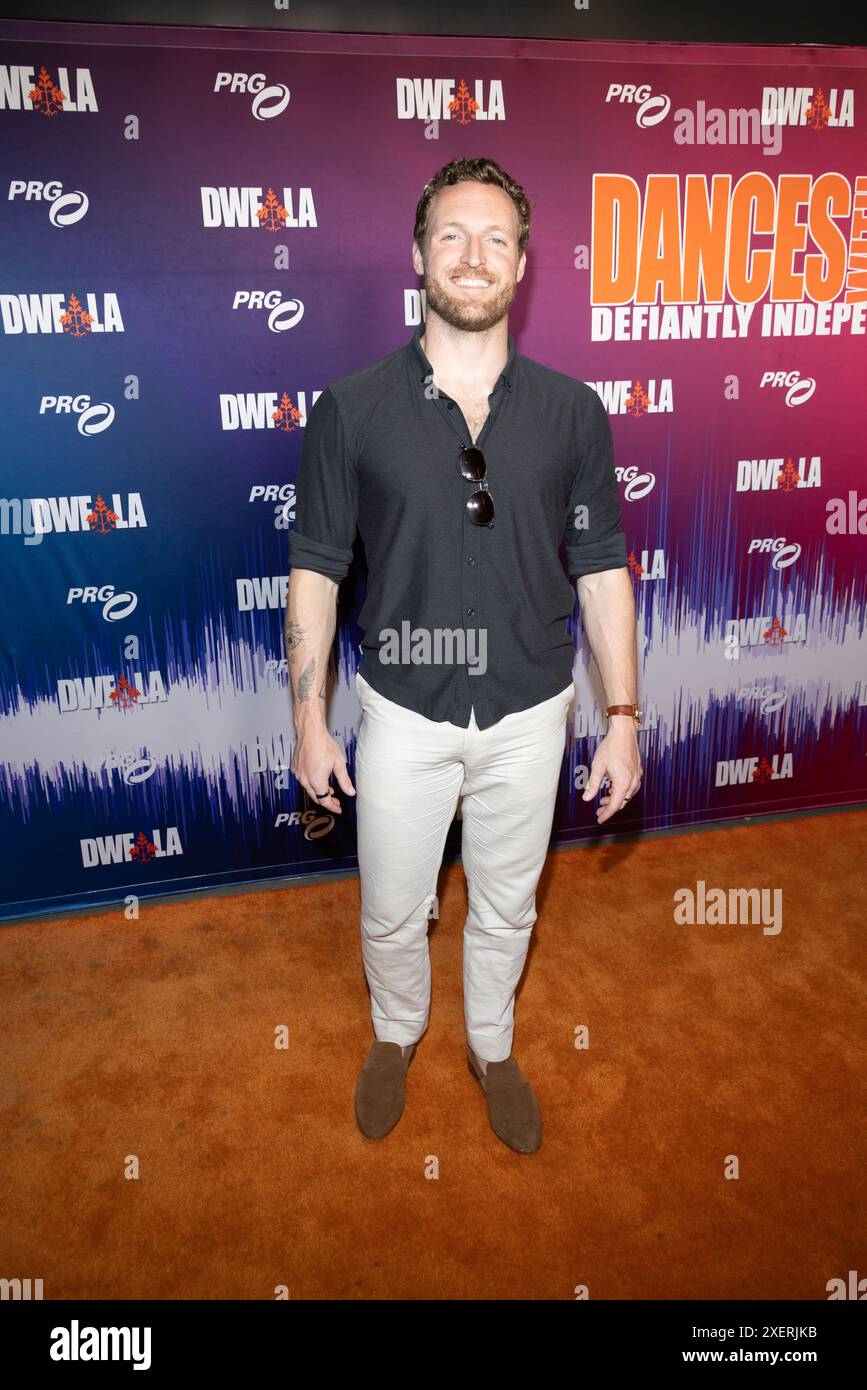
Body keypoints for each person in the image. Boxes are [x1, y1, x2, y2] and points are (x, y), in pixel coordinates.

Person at [286, 156, 642, 1155]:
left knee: (508, 904)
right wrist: (307, 718)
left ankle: (490, 1044)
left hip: (533, 710)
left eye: (496, 237)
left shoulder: (575, 412)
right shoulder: (350, 409)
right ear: (417, 256)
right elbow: (314, 567)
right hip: (401, 709)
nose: (474, 255)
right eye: (452, 234)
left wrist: (623, 718)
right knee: (395, 906)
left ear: (524, 263)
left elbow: (603, 570)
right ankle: (397, 1032)